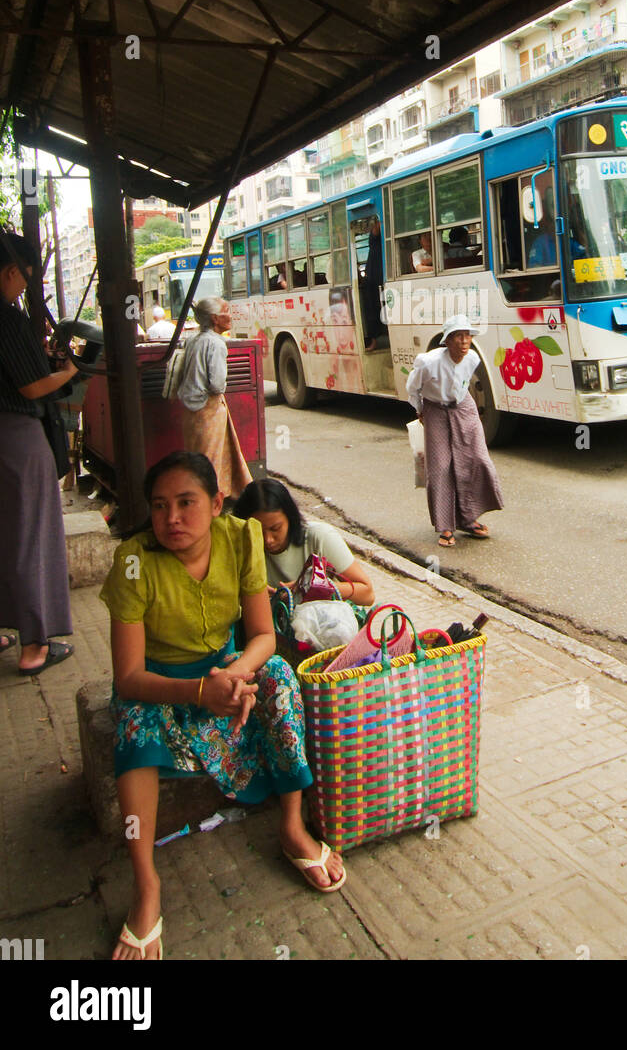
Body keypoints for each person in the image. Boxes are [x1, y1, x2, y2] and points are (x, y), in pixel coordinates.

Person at [100, 450, 347, 961]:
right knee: (131, 721)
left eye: (186, 502)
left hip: (224, 669)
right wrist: (198, 692)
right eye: (160, 505)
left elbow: (261, 636)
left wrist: (233, 676)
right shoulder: (133, 561)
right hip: (159, 686)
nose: (172, 518)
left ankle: (292, 825)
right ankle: (146, 884)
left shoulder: (242, 537)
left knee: (278, 674)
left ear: (216, 503)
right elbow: (128, 676)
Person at [0, 233, 79, 675]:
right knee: (31, 536)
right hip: (16, 436)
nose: (22, 288)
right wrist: (67, 372)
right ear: (12, 271)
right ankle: (34, 645)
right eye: (25, 279)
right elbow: (31, 387)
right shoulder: (6, 318)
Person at [405, 314, 504, 549]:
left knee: (477, 459)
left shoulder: (472, 359)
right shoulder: (428, 362)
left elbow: (463, 385)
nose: (464, 341)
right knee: (440, 467)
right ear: (447, 341)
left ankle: (469, 518)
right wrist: (420, 409)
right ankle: (446, 525)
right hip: (435, 409)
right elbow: (412, 387)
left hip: (463, 407)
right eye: (458, 336)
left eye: (467, 335)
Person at [234, 478, 374, 604]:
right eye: (257, 532)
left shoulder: (319, 537)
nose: (268, 540)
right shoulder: (240, 547)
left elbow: (367, 594)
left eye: (275, 528)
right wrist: (251, 593)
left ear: (290, 517)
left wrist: (314, 588)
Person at [176, 296, 252, 500]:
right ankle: (208, 503)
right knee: (211, 463)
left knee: (196, 461)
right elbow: (217, 385)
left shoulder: (193, 339)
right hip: (208, 410)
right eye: (226, 310)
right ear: (215, 318)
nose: (230, 315)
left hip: (190, 411)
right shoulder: (216, 344)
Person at [360, 215, 386, 351]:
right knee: (373, 310)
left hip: (382, 279)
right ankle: (374, 340)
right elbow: (377, 229)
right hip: (372, 281)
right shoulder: (375, 240)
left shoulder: (386, 241)